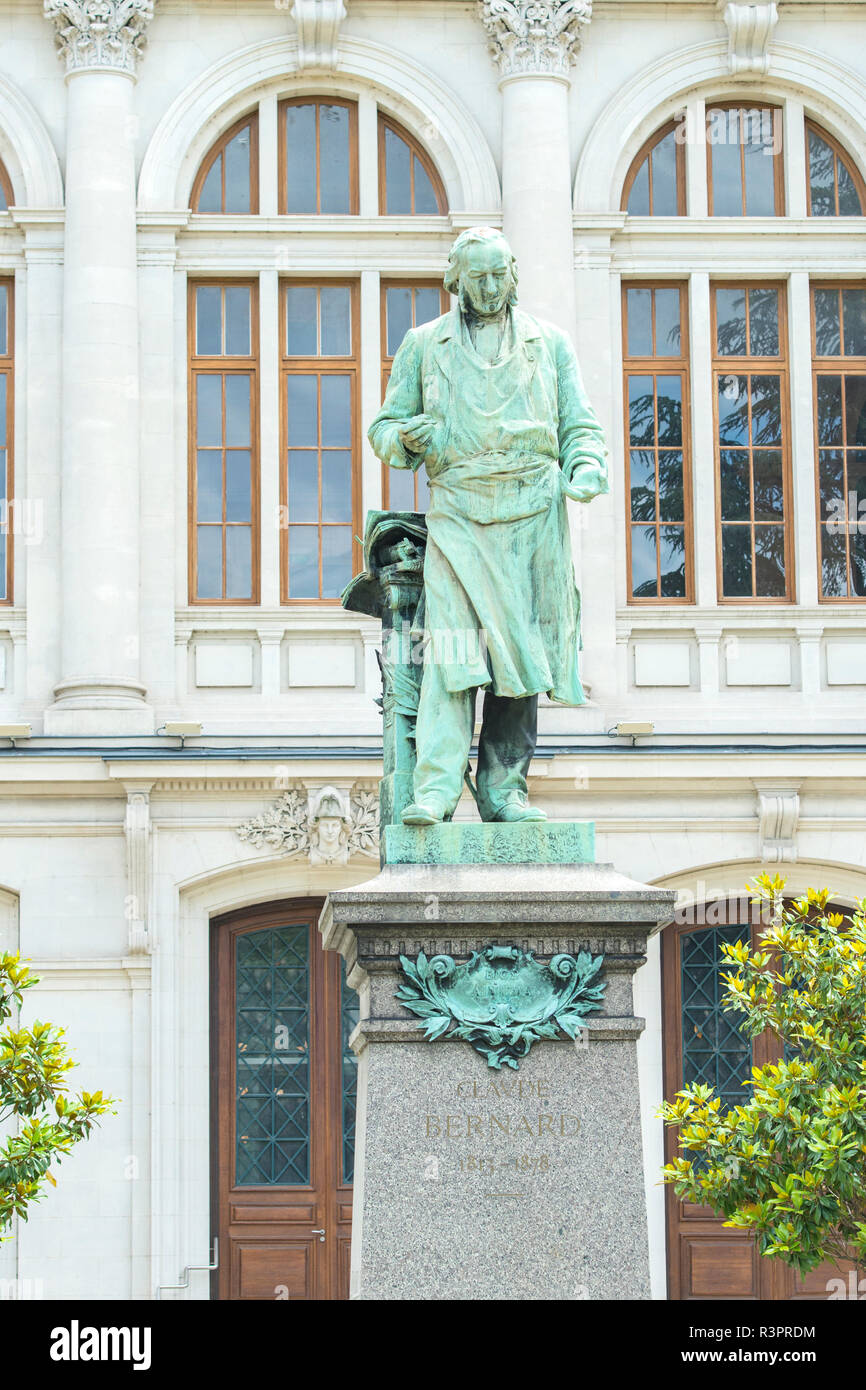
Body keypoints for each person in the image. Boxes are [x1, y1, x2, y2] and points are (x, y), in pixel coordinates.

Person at [368, 227, 607, 825]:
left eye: (500, 274)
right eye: (478, 276)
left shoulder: (548, 344)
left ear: (514, 273)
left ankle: (505, 792)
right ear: (456, 277)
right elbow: (385, 430)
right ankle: (437, 789)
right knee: (452, 653)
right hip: (459, 512)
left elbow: (580, 425)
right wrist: (405, 439)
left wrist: (586, 466)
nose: (491, 286)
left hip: (532, 512)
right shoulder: (424, 344)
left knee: (519, 663)